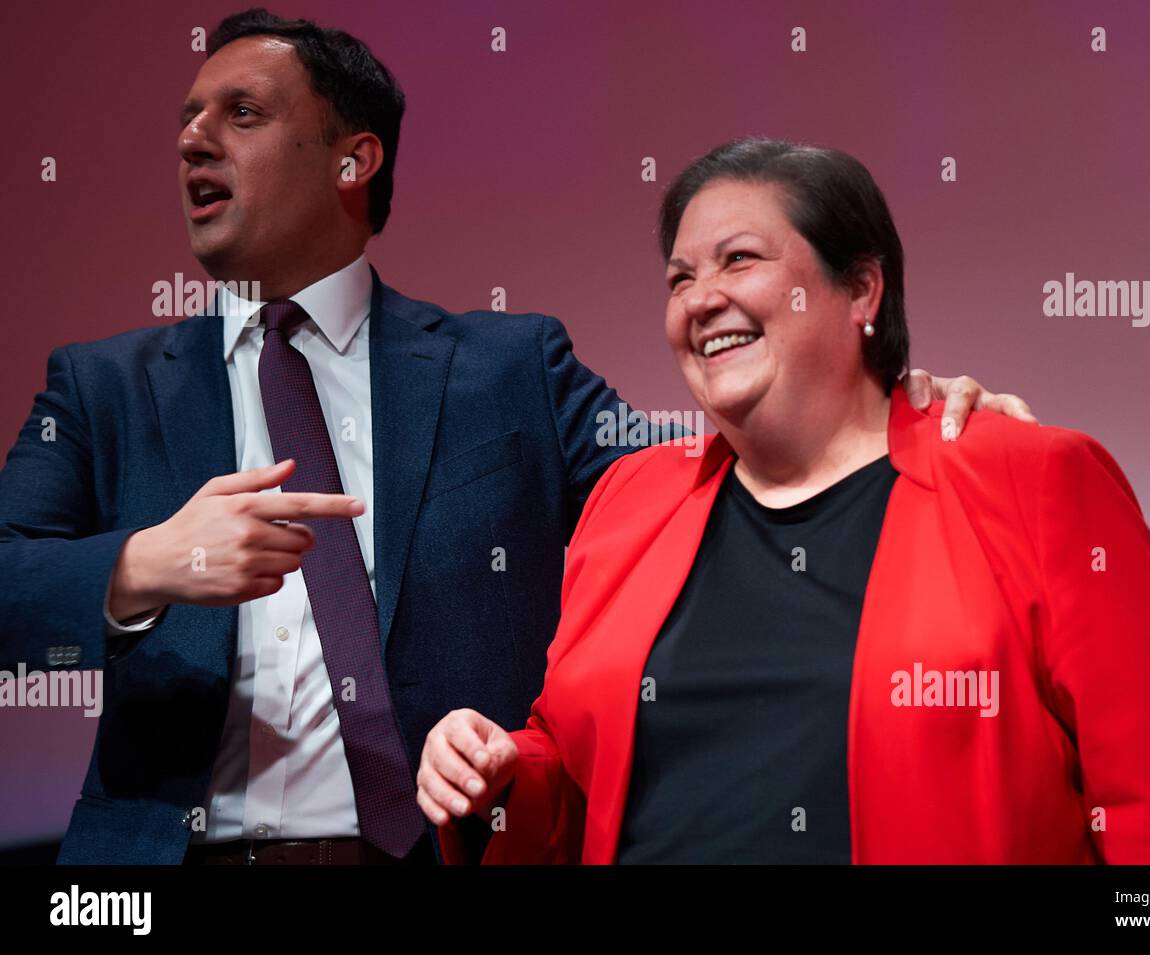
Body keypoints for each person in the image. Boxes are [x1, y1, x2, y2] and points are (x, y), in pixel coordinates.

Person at [0, 14, 1018, 866]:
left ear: (356, 158)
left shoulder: (509, 365)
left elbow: (707, 482)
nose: (191, 140)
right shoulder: (101, 385)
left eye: (242, 113)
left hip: (448, 849)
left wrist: (871, 402)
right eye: (187, 117)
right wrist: (141, 564)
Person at [419, 138, 1150, 864]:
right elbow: (571, 782)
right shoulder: (627, 503)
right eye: (680, 277)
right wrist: (499, 773)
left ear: (861, 290)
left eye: (739, 259)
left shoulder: (1032, 482)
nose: (699, 297)